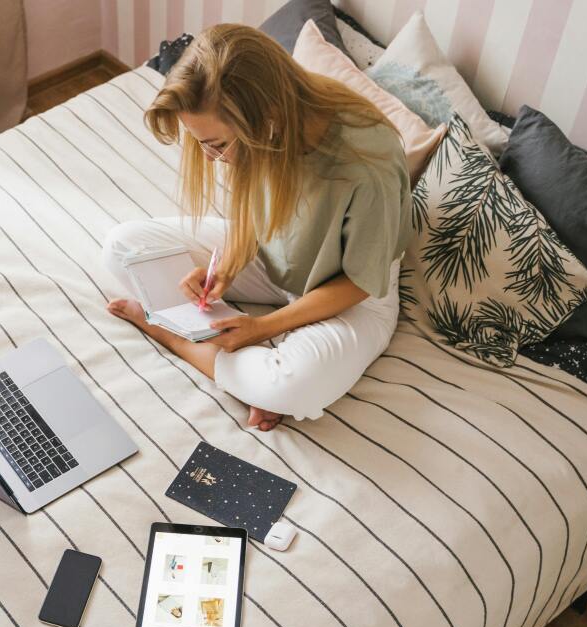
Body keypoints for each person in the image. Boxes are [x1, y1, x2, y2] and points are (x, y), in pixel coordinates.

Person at [102, 23, 412, 432]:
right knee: (121, 246)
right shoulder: (272, 115)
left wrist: (261, 329)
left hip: (348, 291)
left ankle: (174, 337)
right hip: (273, 254)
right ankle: (242, 372)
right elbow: (253, 205)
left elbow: (360, 282)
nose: (209, 158)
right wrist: (227, 267)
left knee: (291, 387)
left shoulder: (367, 162)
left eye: (215, 144)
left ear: (264, 119)